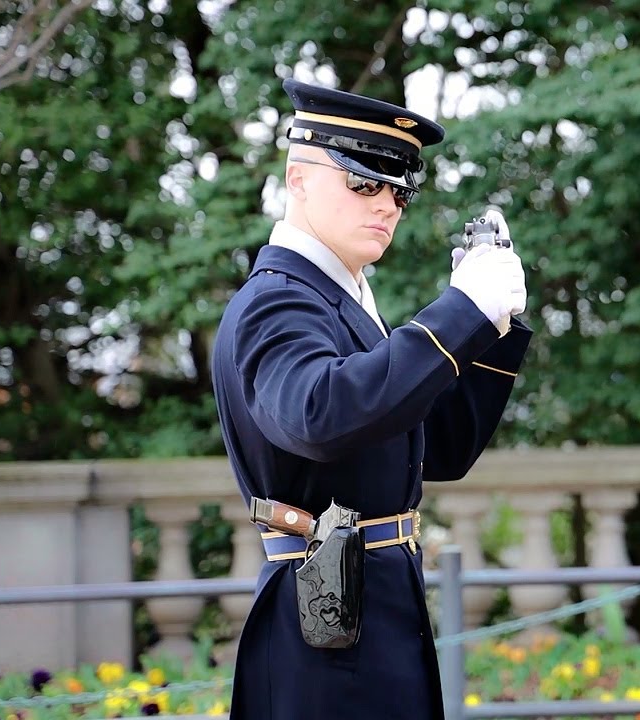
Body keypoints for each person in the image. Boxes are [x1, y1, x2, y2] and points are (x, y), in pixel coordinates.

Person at [211, 78, 531, 720]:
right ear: (298, 180)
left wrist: (488, 331)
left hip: (368, 600)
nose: (386, 203)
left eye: (399, 189)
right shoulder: (280, 298)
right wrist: (458, 312)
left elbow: (438, 448)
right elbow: (319, 416)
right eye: (363, 183)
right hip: (323, 617)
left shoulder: (343, 297)